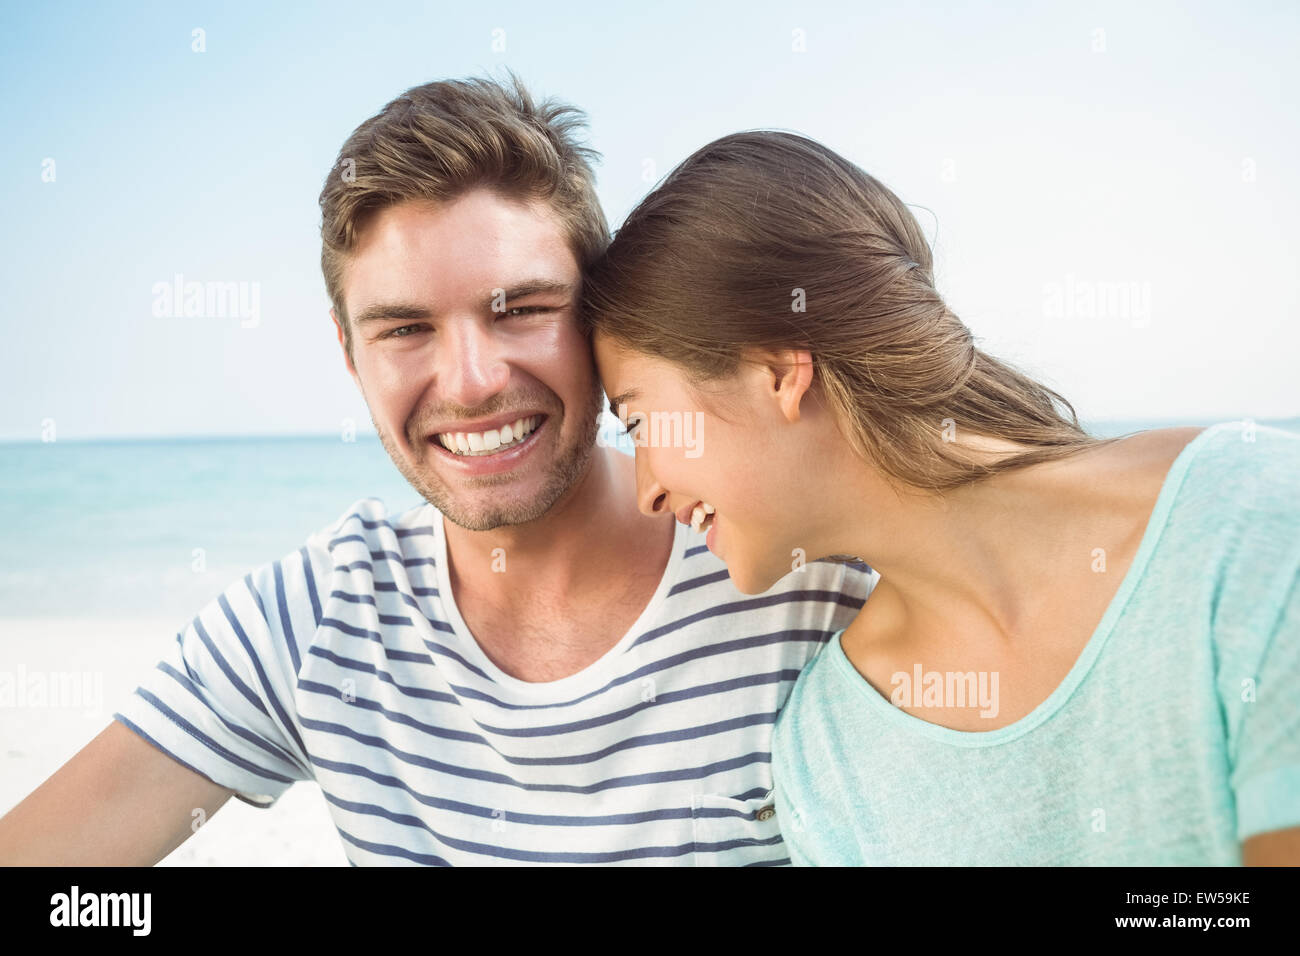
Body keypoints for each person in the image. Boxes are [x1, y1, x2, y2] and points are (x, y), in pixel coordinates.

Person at [0, 76, 874, 866]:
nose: (471, 382)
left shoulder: (809, 580)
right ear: (350, 353)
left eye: (522, 309)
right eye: (405, 329)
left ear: (601, 319)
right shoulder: (319, 620)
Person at [582, 129, 1300, 865]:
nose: (647, 491)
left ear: (778, 372)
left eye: (639, 421)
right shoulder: (827, 754)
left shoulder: (1250, 521)